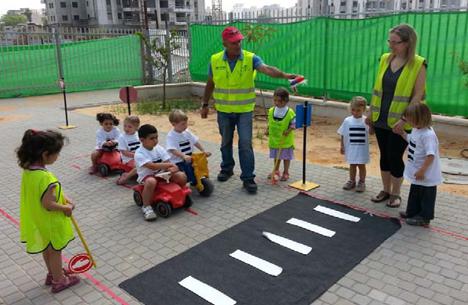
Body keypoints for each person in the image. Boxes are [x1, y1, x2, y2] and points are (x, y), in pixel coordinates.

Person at [201, 26, 300, 194]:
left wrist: (285, 75)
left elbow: (267, 69)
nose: (238, 44)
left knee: (245, 144)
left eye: (239, 40)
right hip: (224, 110)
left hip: (244, 111)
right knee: (225, 142)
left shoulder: (250, 58)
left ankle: (248, 178)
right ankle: (227, 168)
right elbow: (210, 83)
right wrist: (204, 104)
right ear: (224, 43)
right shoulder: (215, 60)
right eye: (233, 42)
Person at [367, 24, 427, 207]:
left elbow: (418, 95)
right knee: (384, 155)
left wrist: (404, 120)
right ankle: (385, 190)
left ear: (408, 43)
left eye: (395, 42)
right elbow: (377, 89)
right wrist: (370, 112)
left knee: (395, 156)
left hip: (401, 122)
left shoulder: (418, 63)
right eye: (389, 41)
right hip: (380, 118)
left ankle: (396, 194)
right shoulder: (385, 59)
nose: (391, 45)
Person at [16, 129, 80, 293]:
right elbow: (48, 203)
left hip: (40, 220)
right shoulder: (45, 177)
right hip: (50, 220)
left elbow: (43, 194)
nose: (58, 157)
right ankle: (59, 280)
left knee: (48, 249)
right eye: (57, 153)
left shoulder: (29, 171)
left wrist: (64, 197)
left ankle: (53, 273)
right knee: (56, 250)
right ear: (45, 155)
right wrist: (66, 207)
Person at [397, 103, 442, 226]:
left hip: (426, 173)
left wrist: (423, 170)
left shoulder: (428, 135)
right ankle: (412, 212)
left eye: (410, 120)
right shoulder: (417, 129)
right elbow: (412, 141)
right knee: (415, 191)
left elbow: (430, 155)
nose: (408, 122)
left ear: (420, 118)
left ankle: (424, 217)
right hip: (416, 170)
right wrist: (402, 133)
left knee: (426, 195)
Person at [134, 124, 187, 221]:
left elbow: (168, 162)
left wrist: (173, 168)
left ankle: (180, 195)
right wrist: (169, 166)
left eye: (156, 137)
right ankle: (146, 207)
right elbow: (152, 166)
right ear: (142, 140)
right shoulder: (139, 153)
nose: (155, 140)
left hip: (162, 174)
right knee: (151, 182)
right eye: (152, 138)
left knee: (181, 176)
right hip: (147, 176)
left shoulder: (159, 148)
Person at [166, 109, 211, 185]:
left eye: (186, 123)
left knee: (197, 167)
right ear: (174, 124)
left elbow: (195, 141)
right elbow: (172, 150)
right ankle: (184, 182)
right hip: (178, 161)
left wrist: (203, 151)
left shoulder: (187, 132)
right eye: (183, 124)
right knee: (185, 172)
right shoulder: (171, 136)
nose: (186, 126)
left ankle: (196, 180)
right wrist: (183, 156)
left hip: (189, 158)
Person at [338, 96, 370, 192]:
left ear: (364, 109)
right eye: (353, 110)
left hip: (362, 150)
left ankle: (362, 182)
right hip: (351, 149)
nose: (355, 112)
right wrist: (342, 145)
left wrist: (372, 123)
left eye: (358, 110)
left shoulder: (366, 121)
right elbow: (343, 133)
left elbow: (372, 132)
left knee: (361, 166)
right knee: (352, 165)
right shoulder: (347, 120)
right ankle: (352, 181)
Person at [265, 87, 296, 182]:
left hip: (285, 140)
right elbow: (270, 122)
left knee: (286, 157)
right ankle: (276, 170)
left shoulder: (289, 112)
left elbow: (294, 123)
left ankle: (286, 172)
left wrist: (289, 130)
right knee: (276, 156)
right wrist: (267, 129)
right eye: (275, 100)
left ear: (285, 101)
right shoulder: (271, 110)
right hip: (274, 140)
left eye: (279, 101)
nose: (276, 103)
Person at [116, 115, 141, 185]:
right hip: (128, 159)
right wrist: (136, 156)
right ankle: (126, 177)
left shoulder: (138, 135)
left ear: (136, 127)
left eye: (129, 127)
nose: (126, 128)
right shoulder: (122, 137)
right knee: (140, 166)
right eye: (125, 126)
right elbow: (124, 152)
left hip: (139, 156)